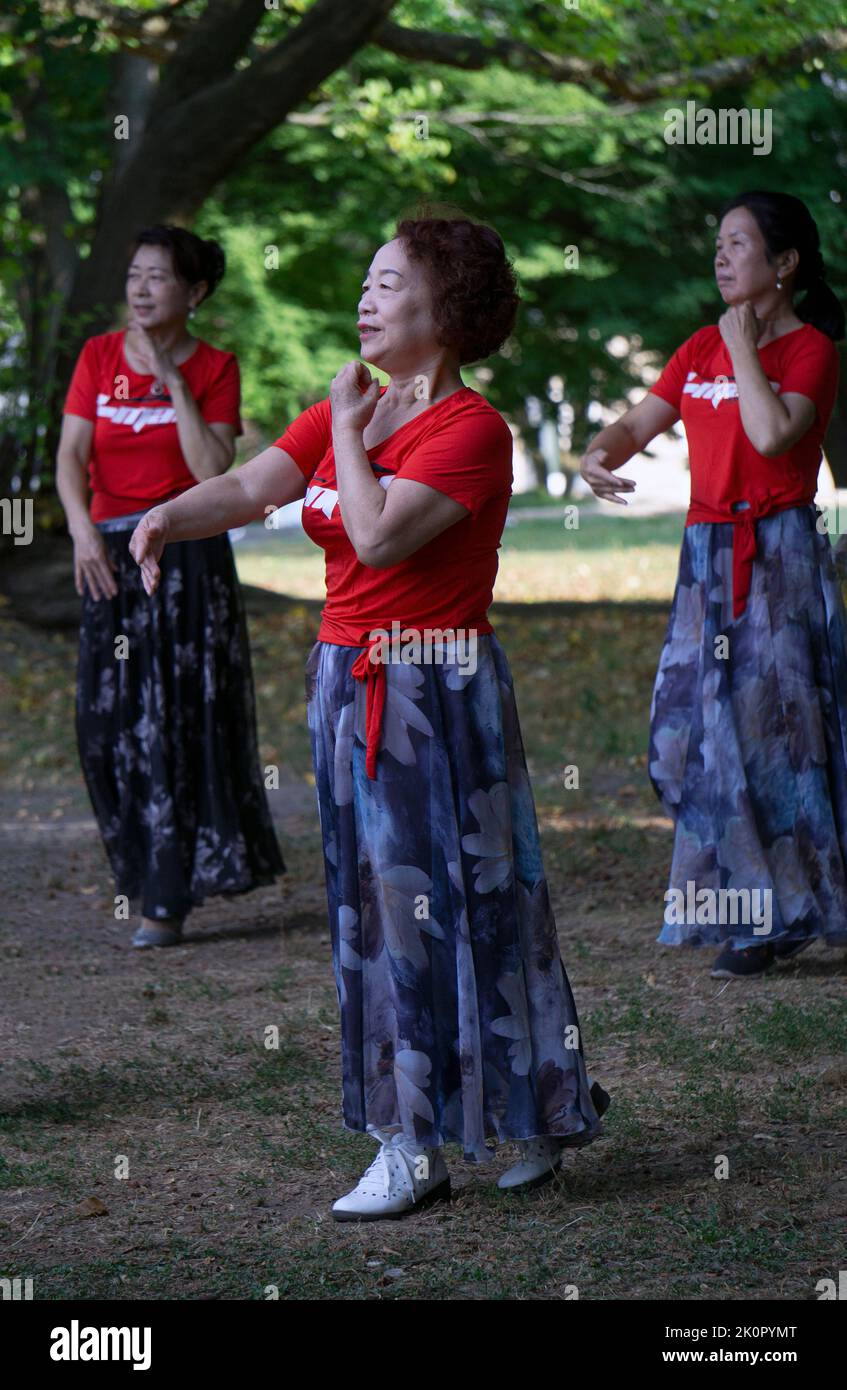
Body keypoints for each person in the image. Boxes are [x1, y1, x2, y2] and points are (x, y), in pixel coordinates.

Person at [129, 214, 609, 1220]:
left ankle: (501, 1114)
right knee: (377, 912)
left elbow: (379, 537)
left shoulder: (469, 429)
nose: (366, 295)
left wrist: (348, 433)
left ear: (448, 310)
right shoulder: (350, 407)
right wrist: (171, 512)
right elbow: (255, 484)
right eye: (368, 277)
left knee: (470, 904)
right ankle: (418, 1127)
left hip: (437, 685)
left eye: (390, 282)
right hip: (348, 678)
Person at [579, 190, 846, 979]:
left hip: (777, 554)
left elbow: (771, 435)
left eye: (737, 244)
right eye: (718, 243)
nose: (721, 256)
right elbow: (635, 424)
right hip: (705, 555)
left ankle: (767, 918)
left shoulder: (811, 351)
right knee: (679, 741)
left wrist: (742, 351)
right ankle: (761, 899)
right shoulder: (698, 347)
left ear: (784, 262)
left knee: (777, 742)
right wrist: (598, 455)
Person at [56, 225, 285, 949]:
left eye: (158, 277)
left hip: (187, 555)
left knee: (178, 722)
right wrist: (82, 531)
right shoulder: (97, 357)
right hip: (107, 556)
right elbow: (69, 455)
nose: (141, 289)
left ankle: (166, 898)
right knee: (103, 724)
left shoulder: (216, 367)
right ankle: (143, 874)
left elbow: (212, 464)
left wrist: (171, 377)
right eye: (134, 275)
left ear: (194, 293)